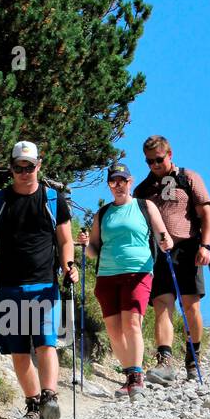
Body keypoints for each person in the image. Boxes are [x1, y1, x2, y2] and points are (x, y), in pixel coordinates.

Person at [0, 141, 78, 419]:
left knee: (45, 343)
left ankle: (49, 396)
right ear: (11, 168)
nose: (23, 172)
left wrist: (70, 266)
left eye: (28, 167)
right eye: (18, 167)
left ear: (38, 166)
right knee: (18, 351)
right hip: (8, 285)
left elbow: (65, 240)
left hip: (43, 284)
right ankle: (33, 405)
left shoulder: (54, 200)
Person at [77, 162, 172, 399]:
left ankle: (137, 376)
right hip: (107, 274)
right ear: (109, 185)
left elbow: (164, 236)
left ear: (130, 182)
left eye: (122, 180)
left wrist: (165, 242)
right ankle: (129, 375)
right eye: (113, 181)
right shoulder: (103, 213)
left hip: (138, 271)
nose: (118, 185)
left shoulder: (145, 206)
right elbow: (94, 250)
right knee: (113, 329)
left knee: (131, 323)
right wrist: (85, 243)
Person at [133, 136, 210, 383]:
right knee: (162, 304)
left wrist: (206, 246)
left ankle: (193, 356)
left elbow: (206, 214)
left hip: (188, 247)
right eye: (149, 161)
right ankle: (165, 360)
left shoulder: (188, 178)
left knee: (190, 305)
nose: (155, 165)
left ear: (169, 154)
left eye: (159, 159)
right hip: (158, 252)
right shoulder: (143, 189)